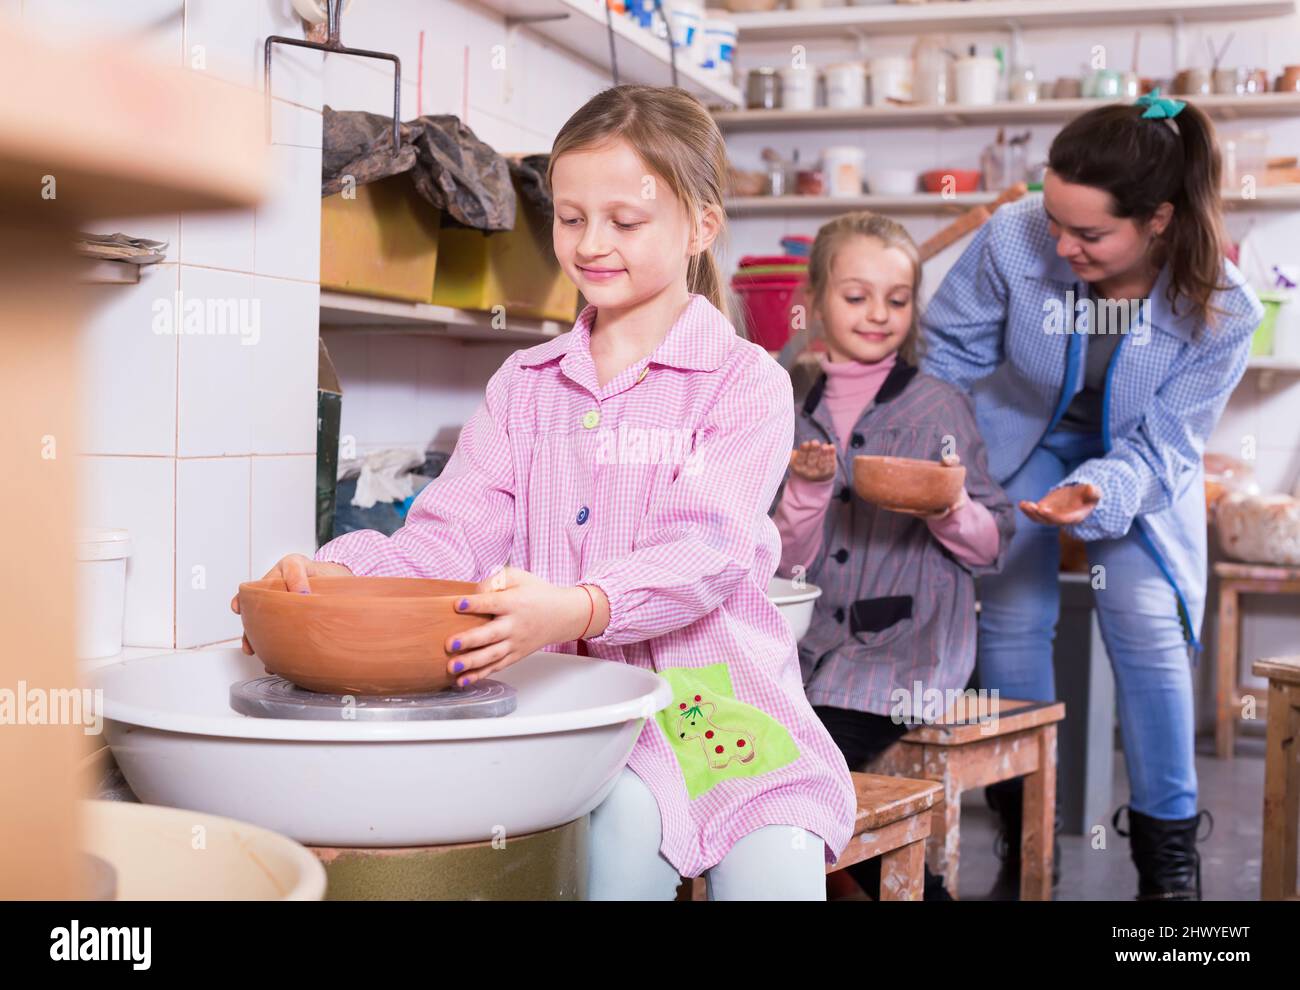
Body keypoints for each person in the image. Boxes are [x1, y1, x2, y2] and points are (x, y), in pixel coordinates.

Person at [235, 84, 856, 901]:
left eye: (625, 221)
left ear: (701, 226)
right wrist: (345, 579)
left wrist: (582, 607)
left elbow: (704, 550)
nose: (592, 243)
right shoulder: (524, 386)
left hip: (721, 708)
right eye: (570, 218)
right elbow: (449, 536)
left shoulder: (745, 384)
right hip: (582, 718)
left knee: (774, 864)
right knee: (618, 828)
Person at [921, 91, 1264, 900]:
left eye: (1090, 233)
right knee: (1011, 609)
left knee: (1146, 622)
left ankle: (1169, 871)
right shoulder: (1014, 236)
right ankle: (1026, 840)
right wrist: (954, 462)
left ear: (1159, 221)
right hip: (1020, 439)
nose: (1062, 244)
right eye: (1055, 220)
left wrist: (1099, 490)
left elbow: (1169, 447)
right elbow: (948, 354)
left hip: (1140, 466)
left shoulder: (1222, 307)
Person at [773, 211, 1014, 900]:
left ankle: (919, 893)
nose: (878, 314)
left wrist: (949, 507)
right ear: (815, 299)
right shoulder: (790, 406)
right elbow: (784, 562)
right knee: (734, 754)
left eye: (898, 299)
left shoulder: (940, 406)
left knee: (798, 775)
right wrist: (808, 489)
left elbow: (994, 542)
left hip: (906, 653)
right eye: (855, 296)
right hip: (807, 650)